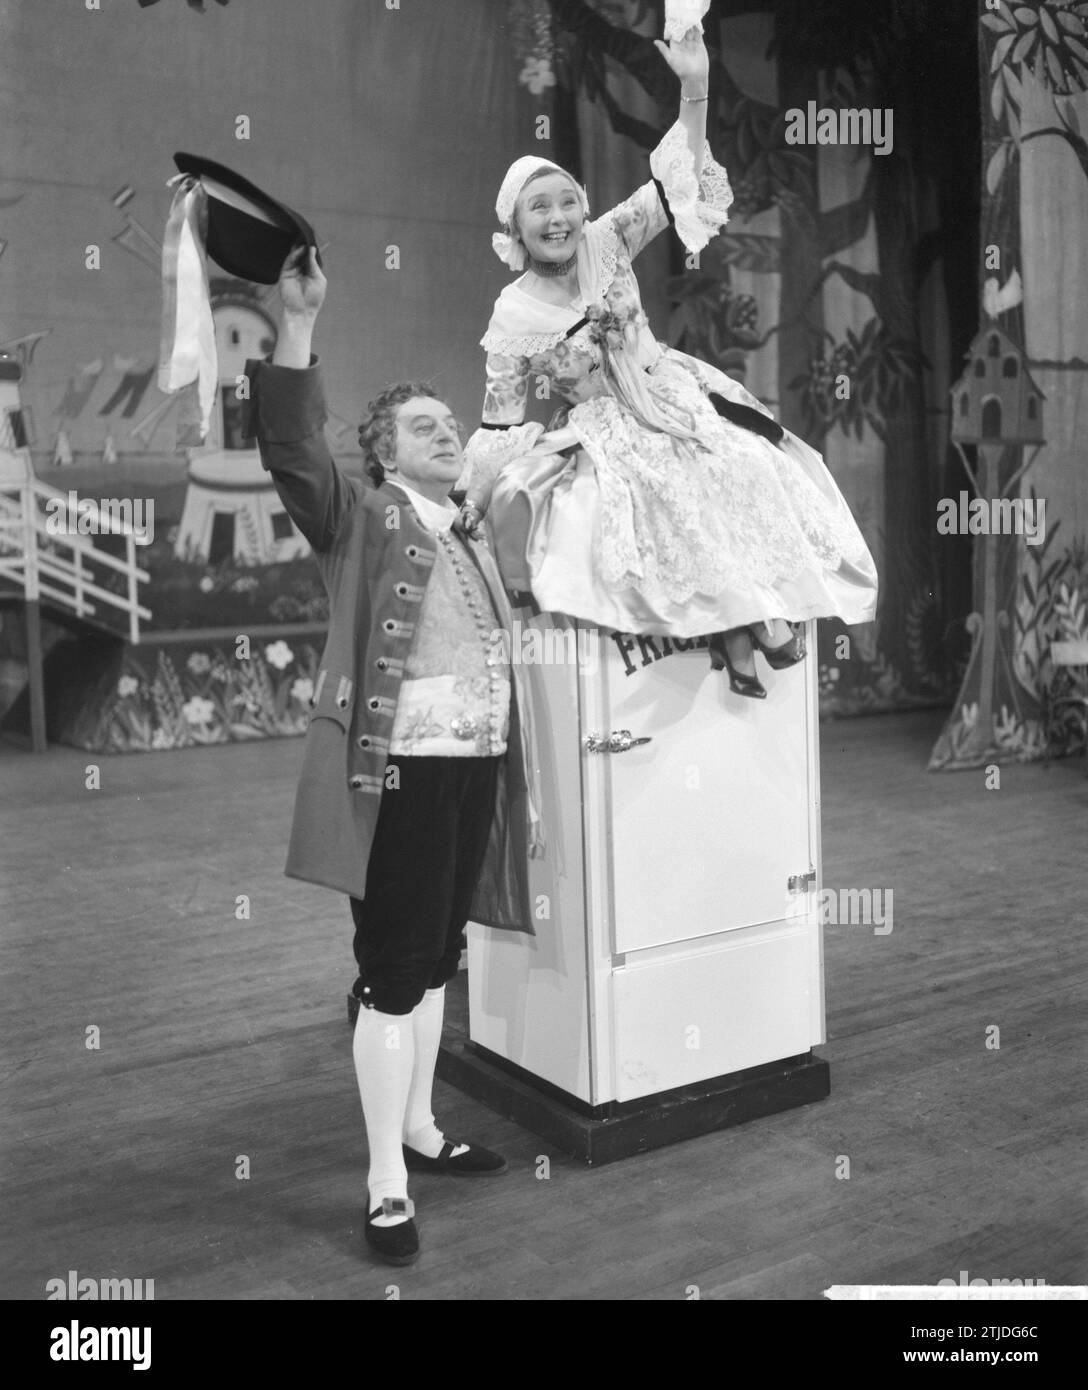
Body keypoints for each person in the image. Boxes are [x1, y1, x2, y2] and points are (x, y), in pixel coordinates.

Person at [243, 245, 544, 1267]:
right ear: (380, 455)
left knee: (437, 963)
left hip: (475, 766)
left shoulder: (463, 528)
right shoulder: (359, 516)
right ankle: (383, 1182)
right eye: (423, 425)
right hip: (403, 773)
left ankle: (420, 1125)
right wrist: (296, 325)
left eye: (449, 421)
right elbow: (291, 446)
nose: (447, 430)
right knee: (391, 973)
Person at [459, 24, 878, 698]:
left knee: (746, 463)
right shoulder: (513, 315)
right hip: (605, 426)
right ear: (515, 228)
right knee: (654, 491)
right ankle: (738, 635)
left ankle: (757, 622)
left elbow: (674, 173)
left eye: (568, 200)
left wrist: (695, 86)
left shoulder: (608, 239)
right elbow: (502, 423)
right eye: (540, 208)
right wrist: (479, 495)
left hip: (671, 390)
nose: (559, 217)